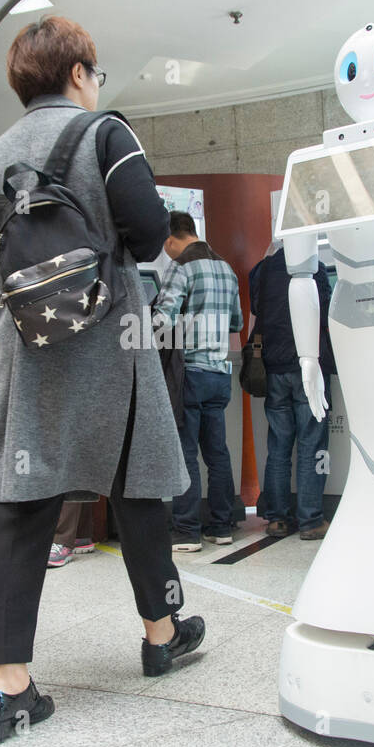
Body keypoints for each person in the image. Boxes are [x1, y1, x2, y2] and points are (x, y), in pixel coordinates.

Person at [0, 15, 205, 742]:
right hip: (109, 344)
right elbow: (151, 232)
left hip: (28, 348)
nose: (97, 84)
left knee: (21, 499)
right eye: (94, 73)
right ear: (78, 74)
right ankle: (162, 634)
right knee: (139, 486)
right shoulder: (107, 135)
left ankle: (7, 688)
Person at [152, 211, 244, 552]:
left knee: (186, 453)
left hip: (189, 372)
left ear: (172, 237)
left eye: (165, 245)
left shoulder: (182, 267)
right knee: (217, 453)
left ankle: (187, 531)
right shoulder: (226, 268)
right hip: (219, 374)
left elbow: (164, 318)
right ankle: (221, 527)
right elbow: (235, 321)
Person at [249, 239, 336, 541]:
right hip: (308, 367)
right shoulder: (317, 270)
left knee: (279, 447)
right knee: (312, 444)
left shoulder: (263, 270)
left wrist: (265, 261)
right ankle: (311, 520)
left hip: (274, 368)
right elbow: (325, 311)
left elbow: (257, 307)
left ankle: (277, 519)